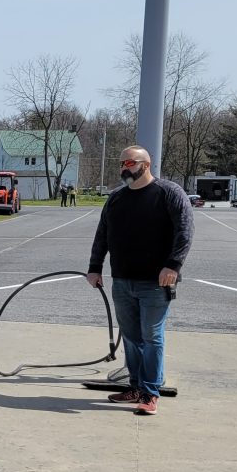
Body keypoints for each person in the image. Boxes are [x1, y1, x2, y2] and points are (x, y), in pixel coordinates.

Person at [85, 146, 194, 417]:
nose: (124, 167)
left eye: (130, 162)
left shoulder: (169, 193)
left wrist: (173, 266)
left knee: (152, 337)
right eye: (121, 162)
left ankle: (149, 393)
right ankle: (135, 386)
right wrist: (94, 267)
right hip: (122, 280)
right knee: (132, 338)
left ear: (146, 164)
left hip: (156, 282)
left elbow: (185, 230)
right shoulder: (116, 199)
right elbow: (103, 234)